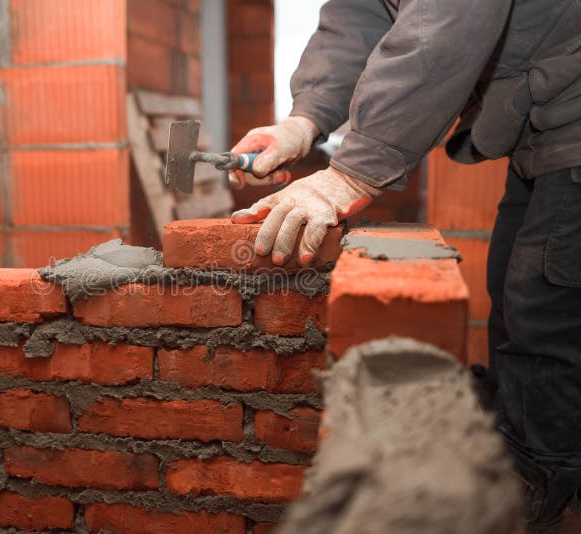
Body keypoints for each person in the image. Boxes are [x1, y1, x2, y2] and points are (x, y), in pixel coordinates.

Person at [227, 1, 581, 532]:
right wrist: (302, 123)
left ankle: (531, 494)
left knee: (545, 324)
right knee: (513, 307)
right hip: (545, 135)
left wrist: (350, 174)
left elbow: (445, 23)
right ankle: (518, 461)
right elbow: (360, 15)